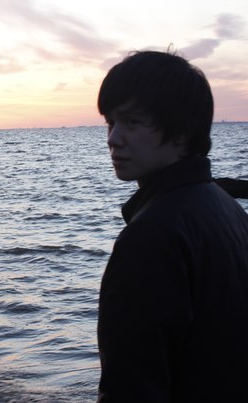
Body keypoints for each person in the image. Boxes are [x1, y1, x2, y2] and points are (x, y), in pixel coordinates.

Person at [96, 50, 248, 401]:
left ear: (181, 131)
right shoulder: (226, 208)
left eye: (132, 121)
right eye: (110, 122)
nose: (113, 138)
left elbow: (130, 387)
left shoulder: (152, 236)